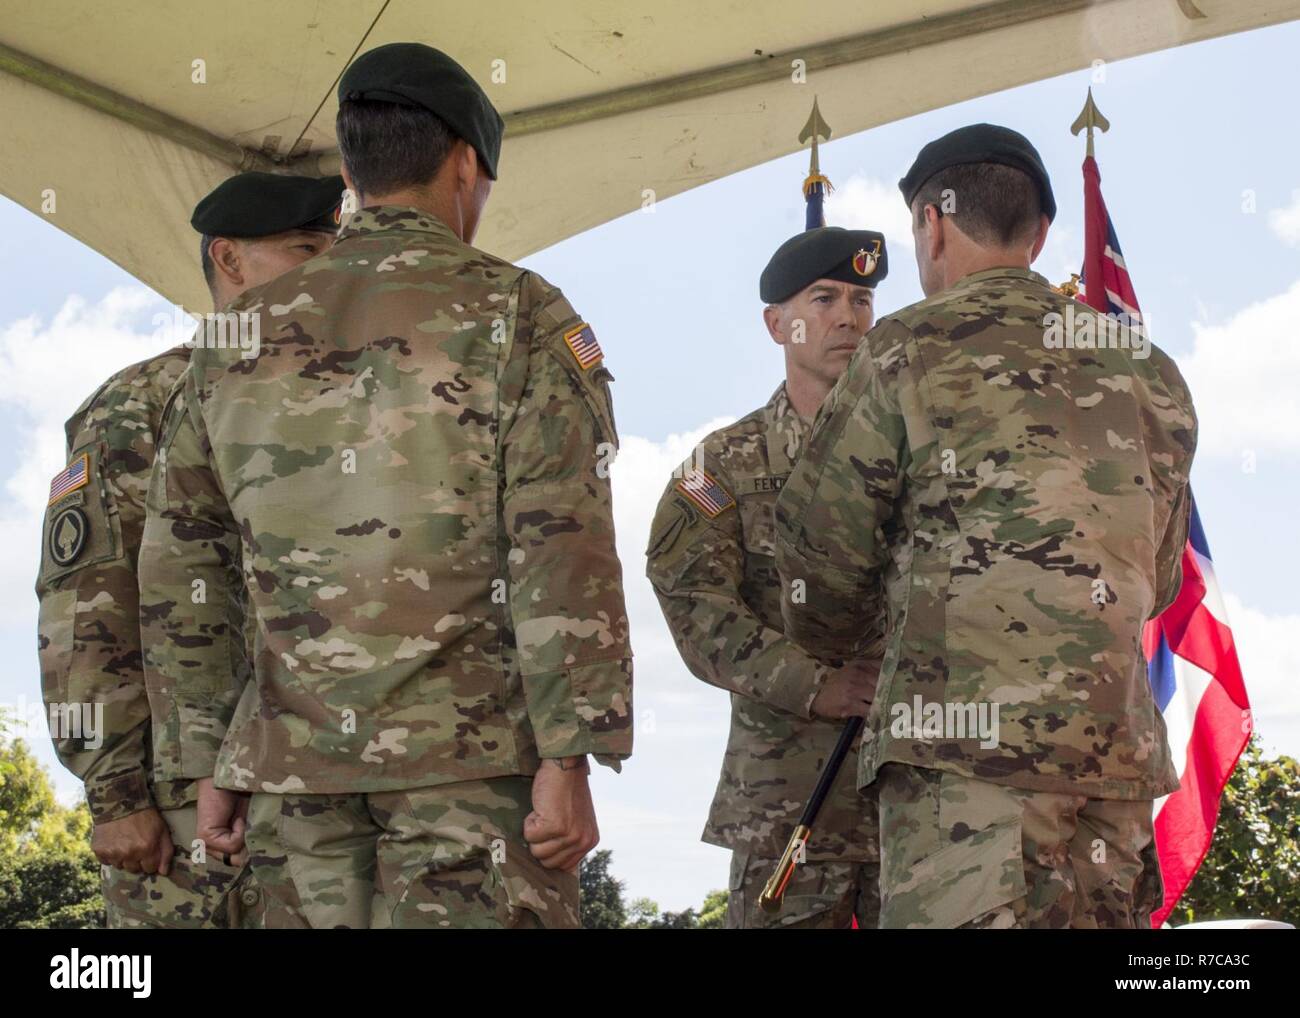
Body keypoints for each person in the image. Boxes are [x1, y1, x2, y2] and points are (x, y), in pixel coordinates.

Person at [139, 42, 633, 929]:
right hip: (471, 777)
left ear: (352, 170)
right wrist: (572, 757)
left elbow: (183, 570)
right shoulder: (519, 313)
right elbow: (561, 546)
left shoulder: (231, 341)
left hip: (293, 782)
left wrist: (209, 757)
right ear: (466, 164)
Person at [774, 123, 1197, 929]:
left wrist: (861, 631)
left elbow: (818, 567)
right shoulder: (1149, 368)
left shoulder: (904, 347)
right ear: (1040, 233)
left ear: (932, 222)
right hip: (1112, 770)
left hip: (964, 770)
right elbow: (1163, 574)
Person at [35, 170, 344, 928]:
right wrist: (115, 796)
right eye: (306, 247)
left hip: (328, 796)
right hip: (179, 807)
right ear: (230, 261)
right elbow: (85, 608)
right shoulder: (143, 401)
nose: (330, 269)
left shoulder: (357, 397)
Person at [647, 227, 888, 928]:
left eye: (863, 299)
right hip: (789, 806)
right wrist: (818, 686)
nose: (849, 316)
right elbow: (695, 608)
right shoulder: (720, 466)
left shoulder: (924, 454)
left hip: (916, 807)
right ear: (777, 323)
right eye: (825, 297)